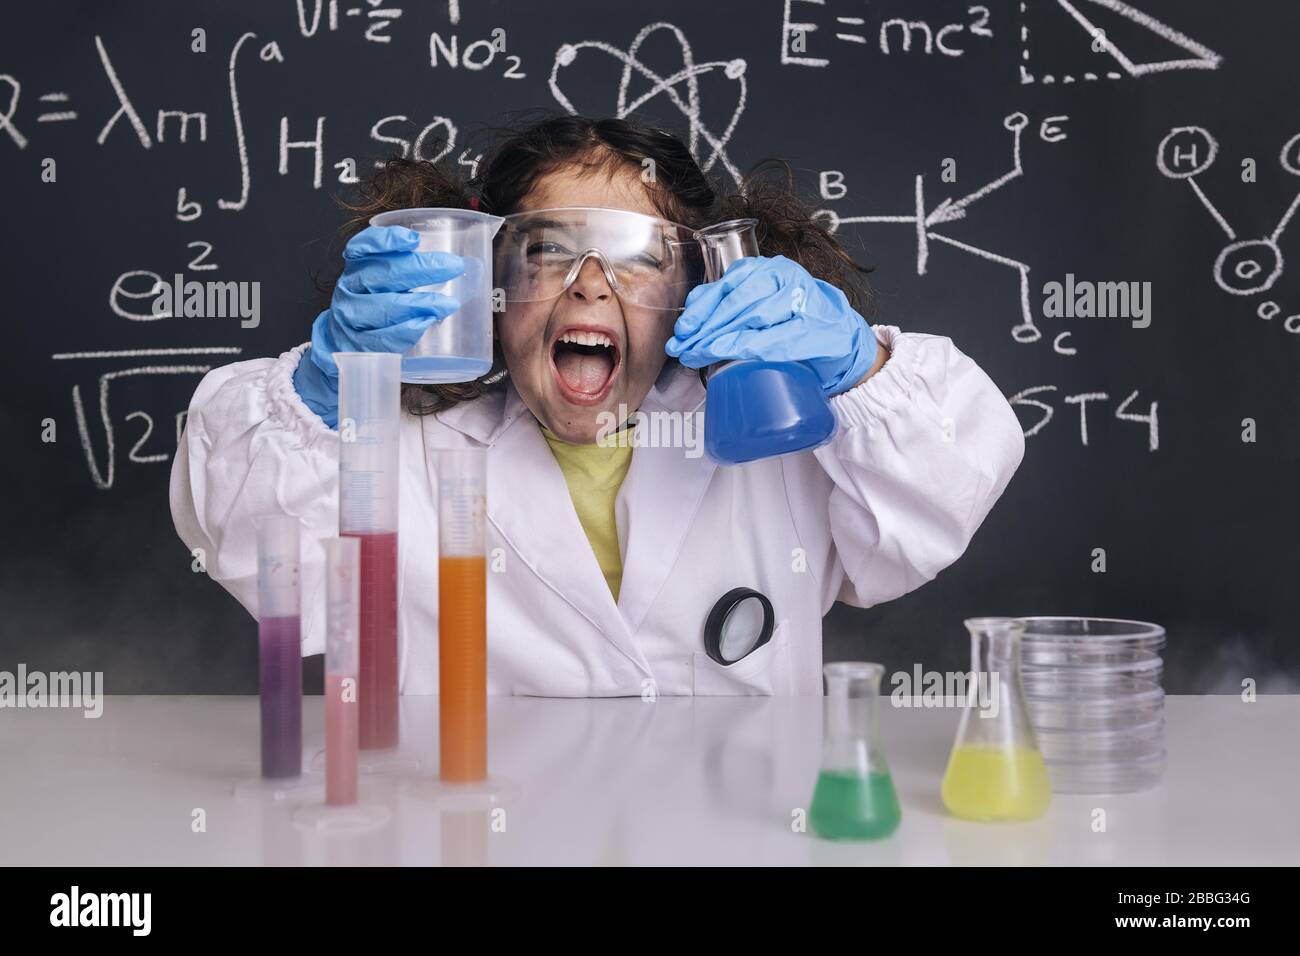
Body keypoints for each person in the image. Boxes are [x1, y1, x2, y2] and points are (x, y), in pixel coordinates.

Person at [170, 115, 1025, 696]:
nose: (588, 286)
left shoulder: (780, 433)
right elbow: (261, 562)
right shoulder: (401, 449)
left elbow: (942, 502)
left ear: (693, 289)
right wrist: (326, 390)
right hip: (470, 836)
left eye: (635, 256)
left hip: (739, 835)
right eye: (547, 252)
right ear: (488, 283)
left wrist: (855, 365)